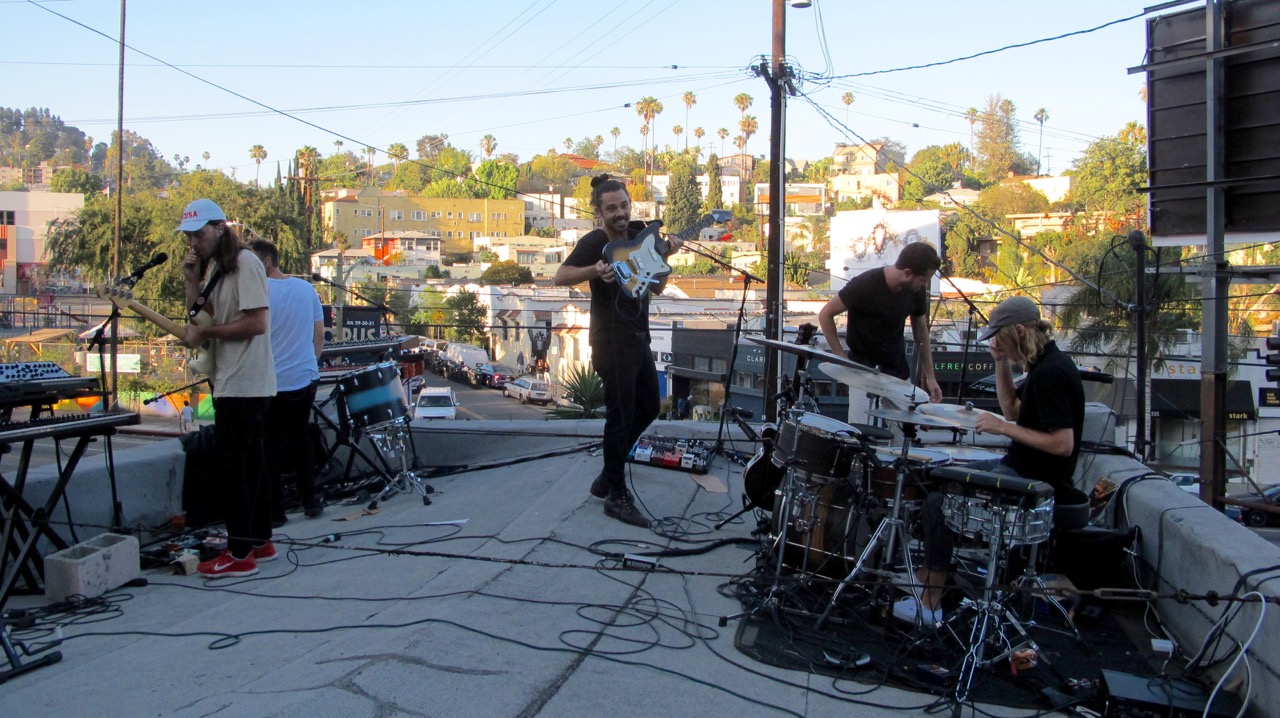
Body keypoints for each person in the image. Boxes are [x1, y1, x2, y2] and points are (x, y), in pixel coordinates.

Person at [893, 295, 1085, 624]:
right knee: (938, 477)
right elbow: (1012, 409)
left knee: (938, 503)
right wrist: (1000, 363)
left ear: (1020, 332)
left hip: (1035, 481)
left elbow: (1063, 444)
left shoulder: (1051, 373)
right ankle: (928, 580)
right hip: (1021, 467)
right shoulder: (1043, 364)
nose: (997, 343)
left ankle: (930, 602)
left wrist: (1004, 429)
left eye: (1000, 337)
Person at [554, 174, 682, 528]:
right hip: (611, 340)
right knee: (620, 416)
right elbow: (560, 276)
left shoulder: (641, 234)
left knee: (649, 406)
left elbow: (656, 286)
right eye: (611, 208)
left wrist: (668, 254)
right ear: (599, 212)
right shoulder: (596, 242)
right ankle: (616, 495)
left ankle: (608, 476)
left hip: (639, 337)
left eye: (624, 205)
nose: (620, 213)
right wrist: (594, 271)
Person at [178, 198, 277, 578]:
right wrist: (192, 282)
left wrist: (207, 334)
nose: (194, 242)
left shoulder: (246, 263)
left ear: (221, 228)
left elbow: (256, 323)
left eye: (199, 234)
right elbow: (200, 318)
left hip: (244, 382)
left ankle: (239, 554)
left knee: (231, 468)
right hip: (236, 380)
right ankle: (259, 541)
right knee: (251, 466)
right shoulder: (221, 269)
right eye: (189, 236)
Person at [817, 242, 944, 418]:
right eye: (923, 280)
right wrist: (840, 358)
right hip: (862, 371)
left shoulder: (916, 291)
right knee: (861, 431)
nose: (924, 285)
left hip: (897, 372)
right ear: (907, 273)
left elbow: (921, 333)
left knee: (906, 430)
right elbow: (825, 314)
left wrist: (930, 376)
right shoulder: (864, 284)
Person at [249, 238, 325, 520]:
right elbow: (319, 335)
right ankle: (310, 500)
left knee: (272, 445)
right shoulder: (307, 289)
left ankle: (275, 510)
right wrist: (311, 363)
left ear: (266, 262)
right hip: (305, 377)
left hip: (272, 381)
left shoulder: (260, 292)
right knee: (301, 438)